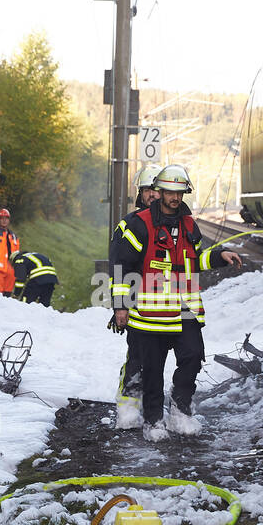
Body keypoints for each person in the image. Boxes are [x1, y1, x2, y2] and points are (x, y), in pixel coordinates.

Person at [112, 164, 243, 441]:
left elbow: (196, 259)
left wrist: (220, 257)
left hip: (185, 311)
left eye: (179, 192)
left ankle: (180, 411)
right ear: (159, 192)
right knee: (152, 372)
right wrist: (120, 306)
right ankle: (153, 422)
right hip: (149, 315)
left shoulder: (188, 225)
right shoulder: (139, 224)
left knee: (193, 358)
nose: (175, 197)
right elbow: (122, 266)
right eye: (170, 192)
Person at [108, 163, 163, 428]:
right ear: (140, 194)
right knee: (138, 356)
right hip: (139, 304)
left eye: (157, 189)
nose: (153, 194)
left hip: (169, 306)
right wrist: (121, 306)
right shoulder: (129, 225)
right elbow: (120, 269)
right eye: (148, 189)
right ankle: (128, 408)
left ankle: (156, 408)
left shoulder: (175, 224)